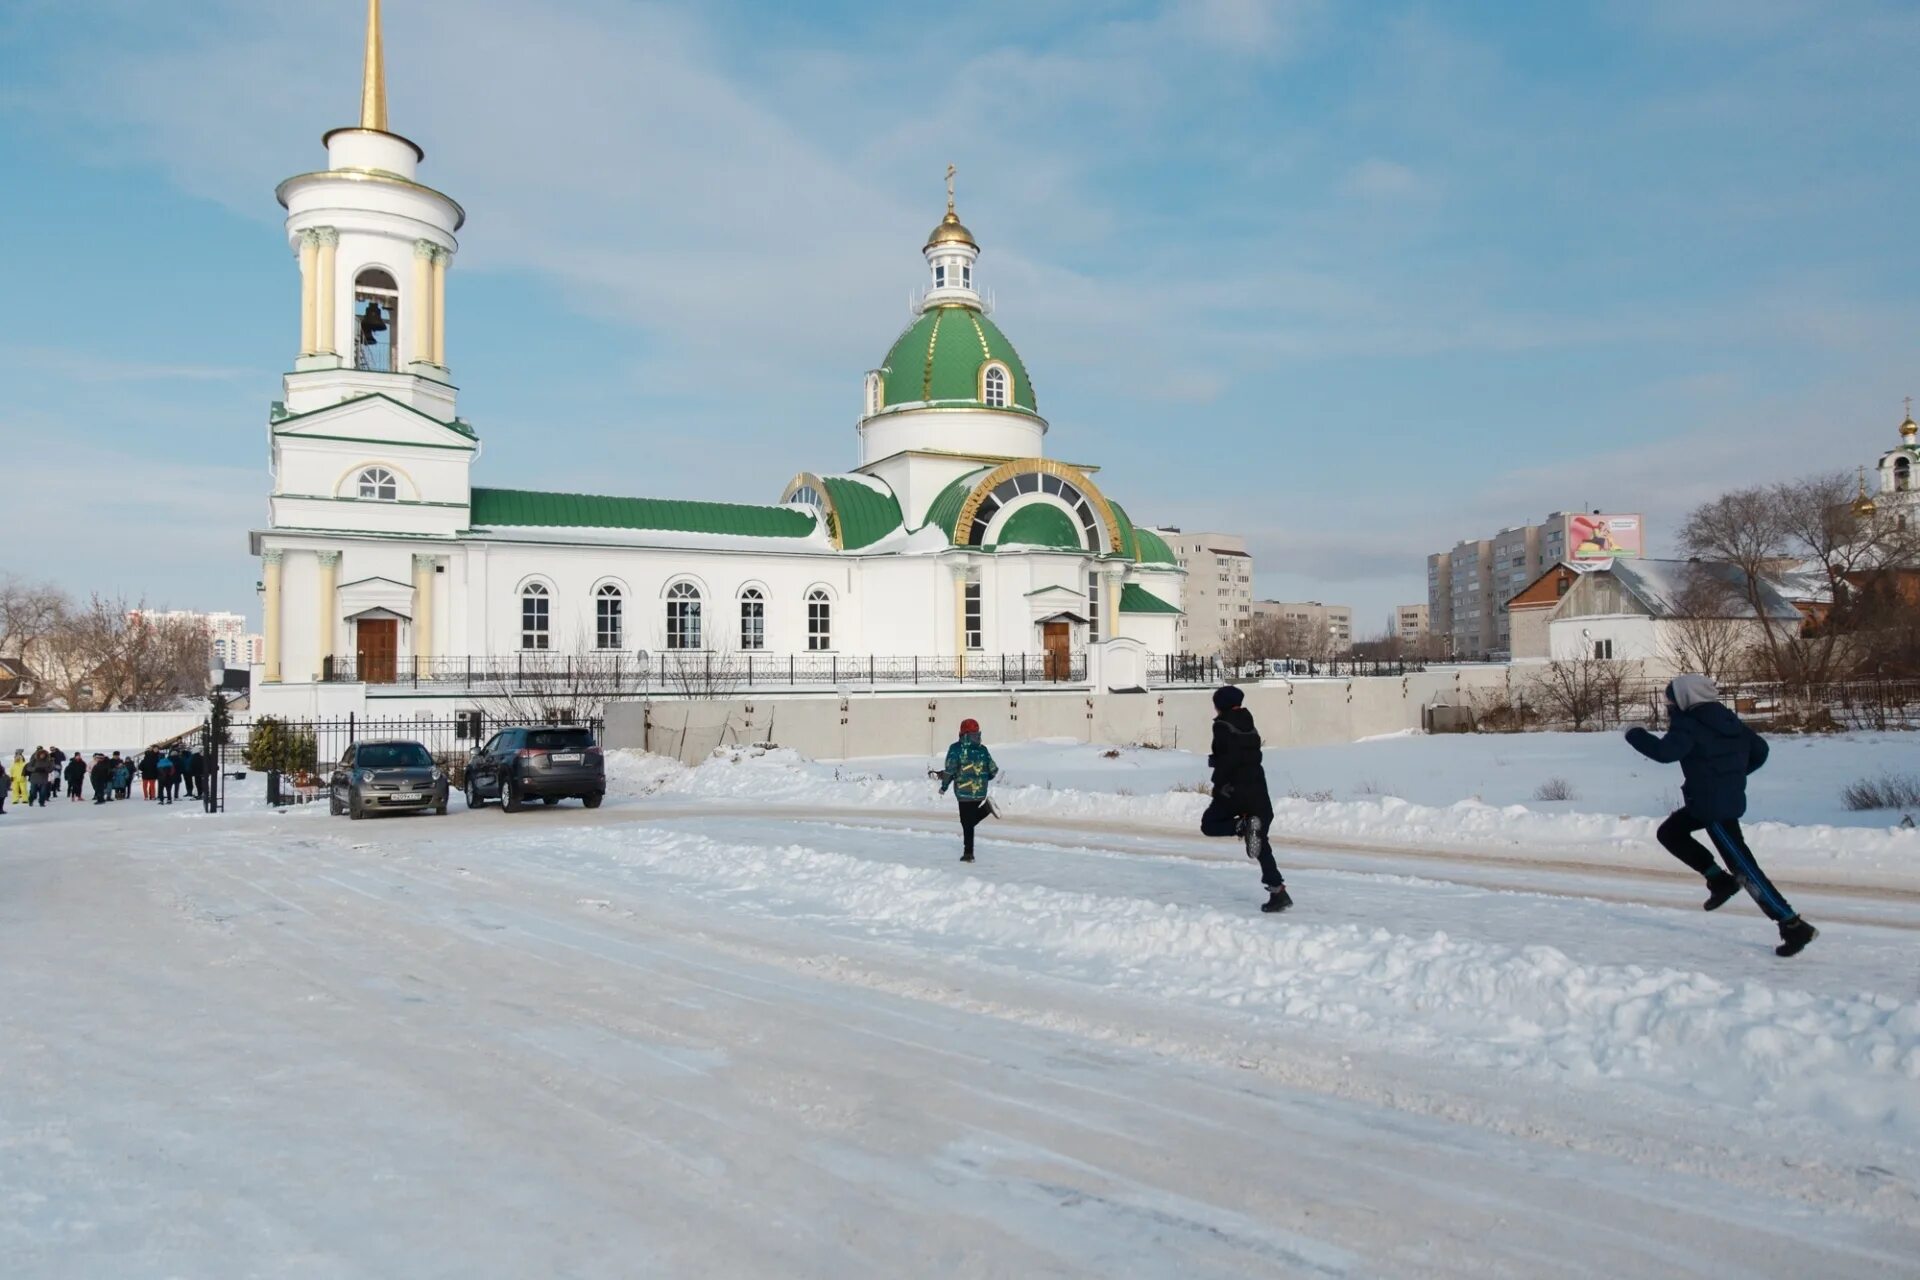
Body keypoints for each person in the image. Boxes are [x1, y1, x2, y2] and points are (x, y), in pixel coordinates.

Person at [1627, 674, 1817, 958]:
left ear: (1684, 699)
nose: (1669, 704)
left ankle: (1792, 924)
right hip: (1713, 800)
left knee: (1745, 868)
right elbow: (1760, 751)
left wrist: (1635, 734)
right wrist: (1731, 776)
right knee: (1670, 833)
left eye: (1671, 699)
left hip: (1711, 806)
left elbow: (1665, 752)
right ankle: (1719, 881)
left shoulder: (1690, 723)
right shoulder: (1726, 719)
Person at [1200, 686, 1293, 914]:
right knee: (1259, 838)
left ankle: (1240, 825)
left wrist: (1219, 786)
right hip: (1258, 790)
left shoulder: (1222, 726)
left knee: (1209, 825)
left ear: (1220, 705)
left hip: (1234, 790)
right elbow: (1246, 755)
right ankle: (1277, 891)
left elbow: (1228, 761)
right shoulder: (1249, 724)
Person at [937, 718, 999, 863]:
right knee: (968, 821)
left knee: (966, 822)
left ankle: (968, 853)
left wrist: (944, 787)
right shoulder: (983, 749)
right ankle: (969, 851)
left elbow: (950, 770)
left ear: (962, 733)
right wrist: (983, 778)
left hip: (964, 792)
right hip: (980, 791)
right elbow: (993, 770)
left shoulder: (956, 749)